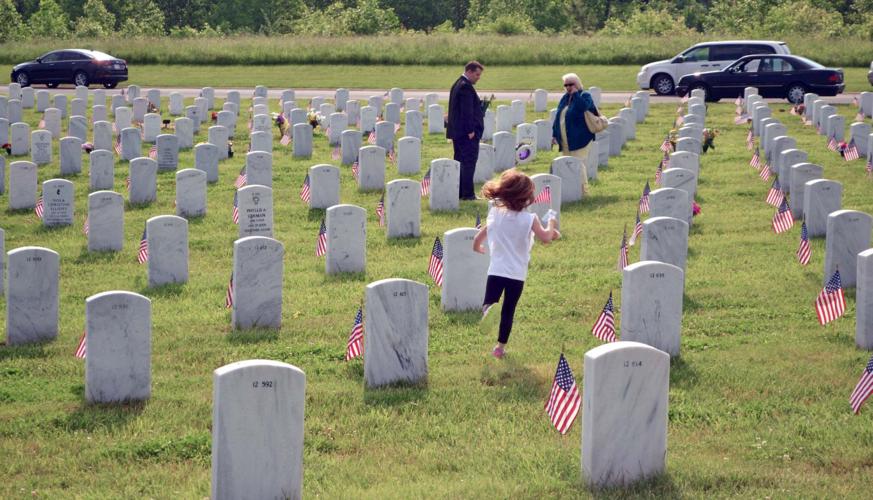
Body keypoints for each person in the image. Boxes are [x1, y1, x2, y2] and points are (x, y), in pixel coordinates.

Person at [473, 170, 560, 359]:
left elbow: (484, 232)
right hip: (517, 274)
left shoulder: (495, 213)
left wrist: (476, 244)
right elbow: (545, 237)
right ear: (526, 197)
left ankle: (488, 309)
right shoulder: (530, 219)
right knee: (508, 310)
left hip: (496, 270)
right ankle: (500, 348)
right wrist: (552, 224)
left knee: (491, 300)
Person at [552, 73, 597, 195]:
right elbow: (558, 116)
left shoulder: (584, 95)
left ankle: (583, 192)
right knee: (567, 164)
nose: (568, 87)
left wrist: (576, 94)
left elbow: (583, 107)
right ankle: (570, 190)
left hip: (580, 139)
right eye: (565, 85)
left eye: (570, 84)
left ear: (577, 83)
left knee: (578, 164)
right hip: (565, 140)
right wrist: (554, 134)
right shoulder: (565, 98)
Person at [447, 61, 485, 200]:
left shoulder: (457, 83)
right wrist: (471, 130)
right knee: (468, 163)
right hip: (466, 134)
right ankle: (468, 194)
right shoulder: (465, 87)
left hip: (458, 133)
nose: (478, 77)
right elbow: (466, 111)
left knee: (460, 162)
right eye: (477, 74)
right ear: (469, 71)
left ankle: (460, 192)